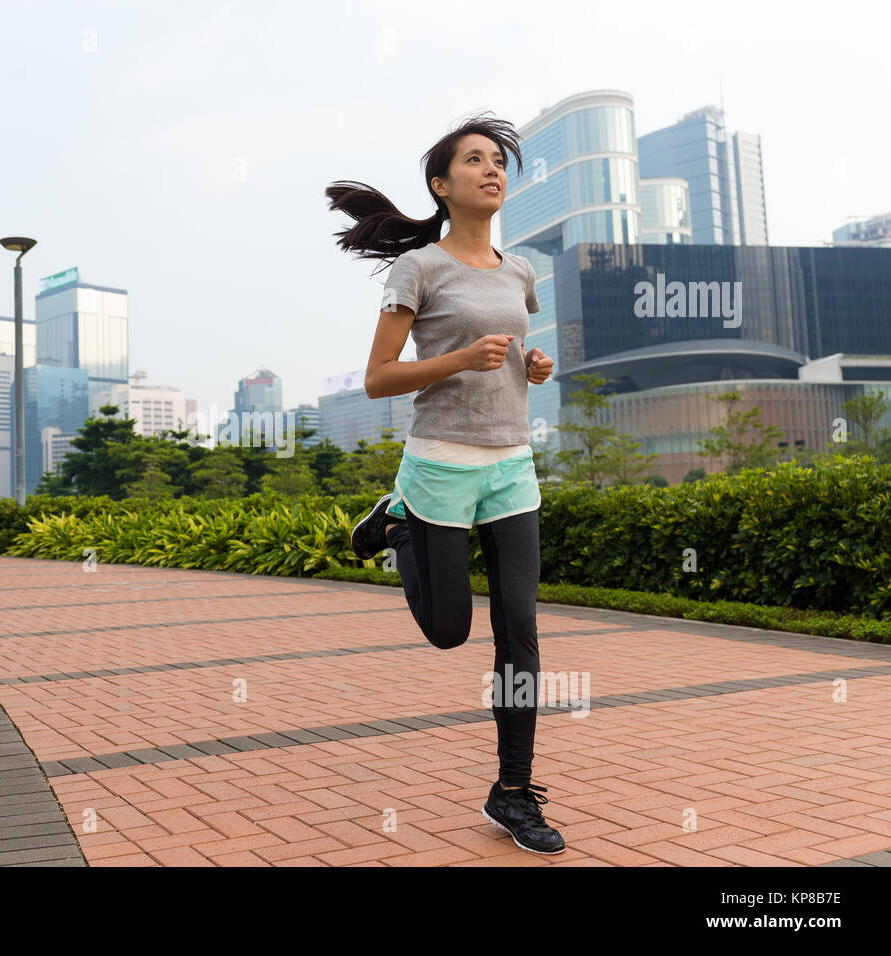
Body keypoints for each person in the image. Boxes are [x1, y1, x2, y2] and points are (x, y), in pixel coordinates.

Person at [326, 112, 564, 855]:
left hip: (510, 468)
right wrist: (459, 360)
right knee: (449, 631)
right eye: (474, 160)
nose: (492, 169)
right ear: (442, 184)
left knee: (519, 632)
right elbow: (378, 379)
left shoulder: (521, 271)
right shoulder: (420, 269)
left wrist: (532, 368)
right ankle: (396, 523)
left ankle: (514, 791)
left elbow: (515, 351)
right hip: (439, 465)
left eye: (499, 160)